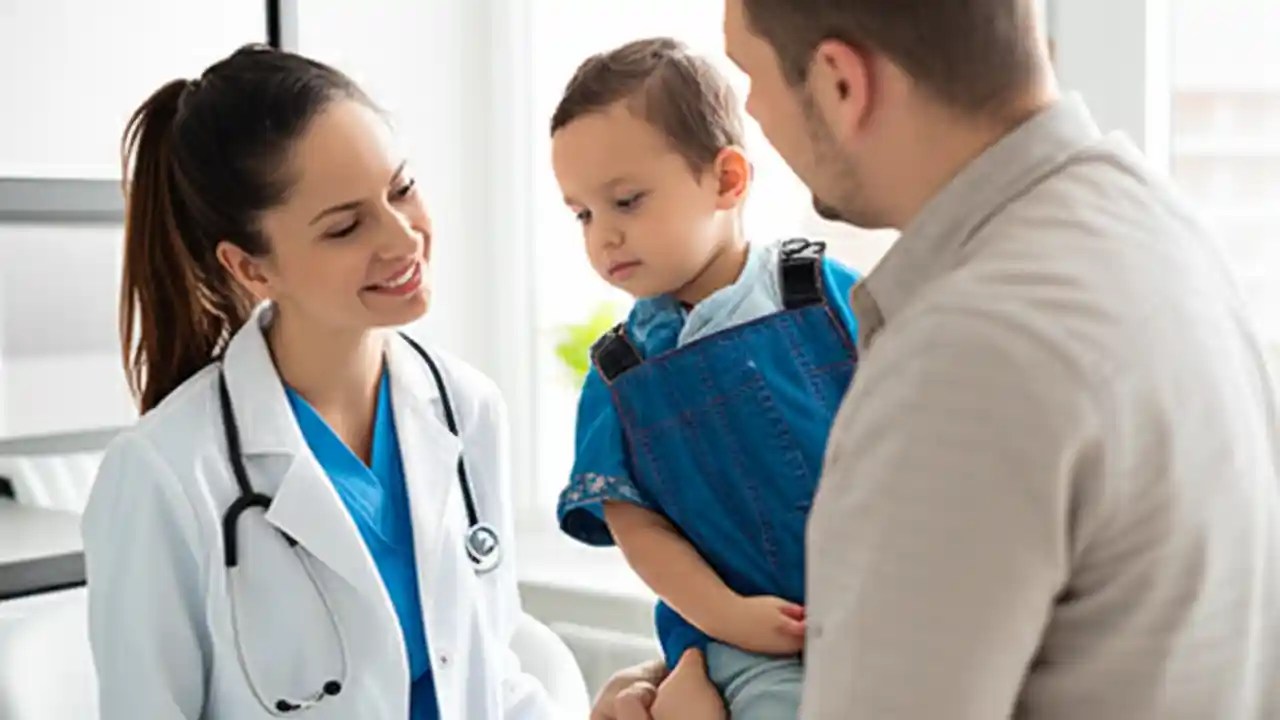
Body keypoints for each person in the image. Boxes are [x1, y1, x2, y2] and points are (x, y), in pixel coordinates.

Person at [595, 0, 1280, 718]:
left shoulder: (963, 354)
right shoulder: (1152, 230)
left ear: (839, 83)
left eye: (751, 76)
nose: (754, 111)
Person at [81, 44, 562, 719]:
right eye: (345, 227)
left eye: (401, 189)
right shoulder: (163, 472)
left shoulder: (467, 408)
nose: (403, 239)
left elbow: (489, 674)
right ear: (250, 269)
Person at [550, 37, 861, 720]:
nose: (603, 236)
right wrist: (731, 617)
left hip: (888, 608)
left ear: (727, 180)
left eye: (626, 201)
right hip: (744, 648)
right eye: (582, 214)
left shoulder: (827, 299)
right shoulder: (620, 374)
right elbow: (638, 529)